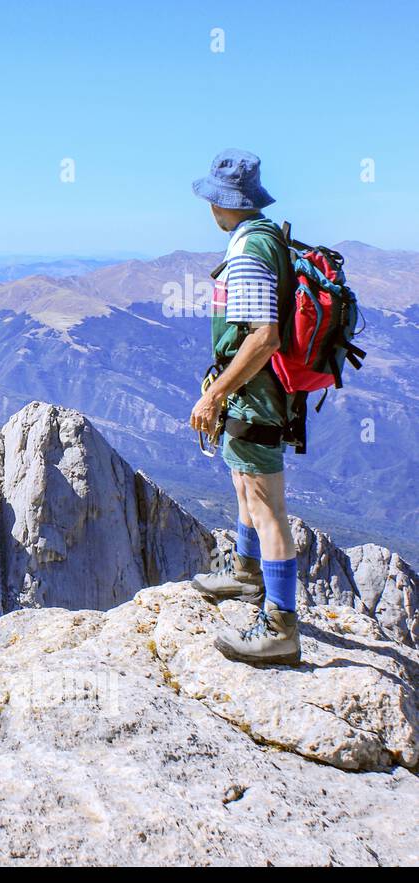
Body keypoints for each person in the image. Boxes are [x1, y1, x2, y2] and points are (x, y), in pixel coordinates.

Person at [187, 149, 300, 666]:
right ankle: (246, 575)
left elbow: (264, 339)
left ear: (220, 202)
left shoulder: (249, 252)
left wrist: (213, 394)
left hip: (256, 393)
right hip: (250, 391)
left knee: (266, 507)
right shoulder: (264, 235)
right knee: (241, 483)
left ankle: (279, 626)